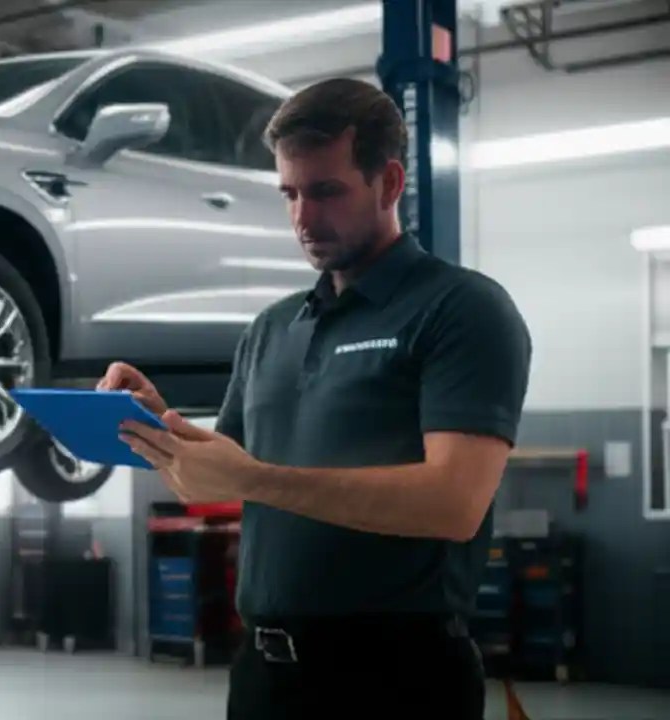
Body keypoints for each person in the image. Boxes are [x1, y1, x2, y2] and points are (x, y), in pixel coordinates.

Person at [98, 77, 532, 719]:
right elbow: (216, 478)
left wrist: (257, 477)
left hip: (398, 686)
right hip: (264, 680)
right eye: (289, 194)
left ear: (388, 184)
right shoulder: (271, 329)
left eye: (326, 191)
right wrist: (156, 421)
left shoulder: (462, 310)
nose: (303, 217)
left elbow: (454, 504)